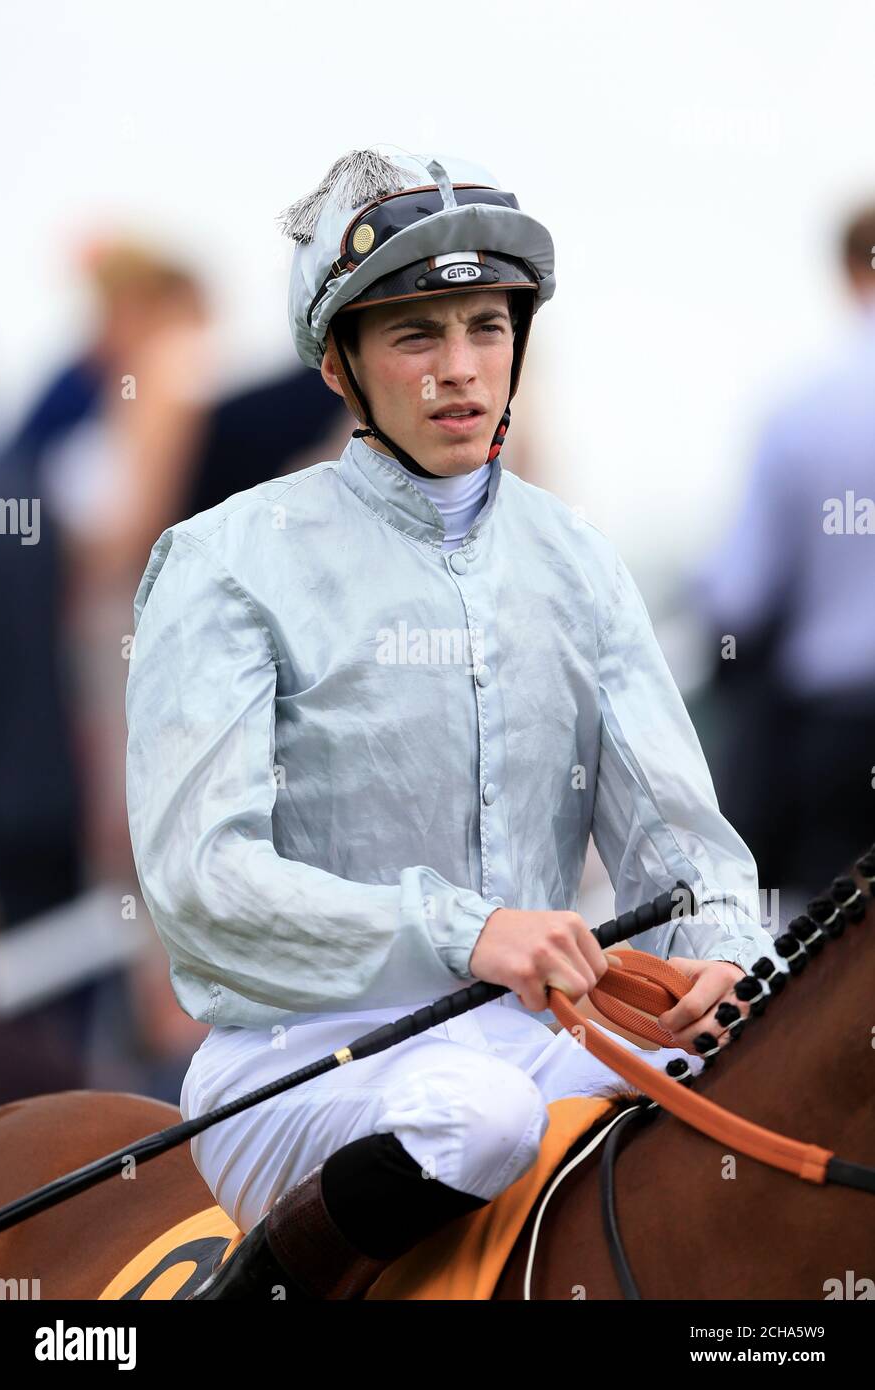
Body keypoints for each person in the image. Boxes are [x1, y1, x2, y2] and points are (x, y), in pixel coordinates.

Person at [125, 146, 785, 1301]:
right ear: (338, 364)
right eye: (413, 335)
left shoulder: (578, 559)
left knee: (766, 1093)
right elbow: (200, 884)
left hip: (538, 1036)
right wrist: (467, 930)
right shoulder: (222, 561)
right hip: (302, 1057)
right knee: (478, 1117)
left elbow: (679, 844)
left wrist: (720, 946)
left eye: (485, 327)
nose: (458, 369)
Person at [692, 201, 875, 903]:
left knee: (828, 951)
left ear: (847, 270)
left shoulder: (801, 411)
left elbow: (739, 595)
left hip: (838, 738)